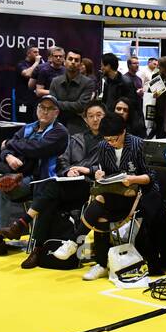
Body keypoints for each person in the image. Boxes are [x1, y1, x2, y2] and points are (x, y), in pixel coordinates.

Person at [0, 95, 68, 257]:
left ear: (56, 113)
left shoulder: (59, 132)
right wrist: (9, 155)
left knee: (0, 188)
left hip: (38, 181)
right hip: (13, 174)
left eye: (49, 109)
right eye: (41, 107)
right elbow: (4, 151)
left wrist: (9, 144)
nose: (44, 111)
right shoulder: (28, 128)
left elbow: (37, 148)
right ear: (36, 109)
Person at [80, 112, 166, 280]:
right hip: (117, 193)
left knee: (102, 204)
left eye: (114, 139)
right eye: (107, 139)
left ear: (123, 132)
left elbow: (151, 177)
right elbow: (105, 172)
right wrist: (100, 174)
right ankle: (100, 263)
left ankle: (74, 243)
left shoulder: (138, 144)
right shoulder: (103, 146)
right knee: (101, 207)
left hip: (143, 192)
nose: (111, 143)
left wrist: (132, 179)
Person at [21, 100, 106, 269]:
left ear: (105, 117)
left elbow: (109, 166)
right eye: (91, 116)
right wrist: (68, 171)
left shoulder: (109, 141)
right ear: (85, 120)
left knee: (50, 190)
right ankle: (38, 249)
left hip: (91, 187)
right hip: (69, 185)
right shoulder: (76, 138)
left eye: (99, 115)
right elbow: (62, 160)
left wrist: (86, 169)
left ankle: (26, 225)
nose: (95, 119)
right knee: (49, 200)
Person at [42, 49, 95, 136]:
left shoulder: (88, 83)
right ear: (65, 61)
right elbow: (52, 105)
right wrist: (72, 105)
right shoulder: (55, 81)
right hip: (56, 123)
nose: (73, 62)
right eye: (70, 59)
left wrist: (58, 103)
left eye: (76, 60)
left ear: (80, 65)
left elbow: (81, 106)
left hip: (77, 125)